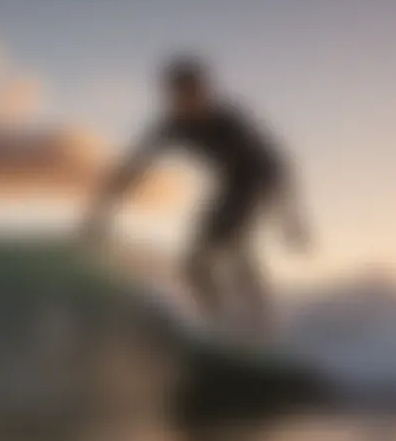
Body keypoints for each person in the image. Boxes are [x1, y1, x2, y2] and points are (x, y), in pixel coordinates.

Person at [82, 55, 309, 337]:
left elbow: (275, 166)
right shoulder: (171, 126)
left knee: (233, 247)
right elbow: (131, 170)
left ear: (206, 93)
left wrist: (291, 218)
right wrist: (99, 214)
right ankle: (217, 322)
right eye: (179, 97)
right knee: (193, 263)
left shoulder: (230, 122)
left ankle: (261, 324)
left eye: (194, 95)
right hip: (230, 186)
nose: (187, 104)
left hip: (258, 181)